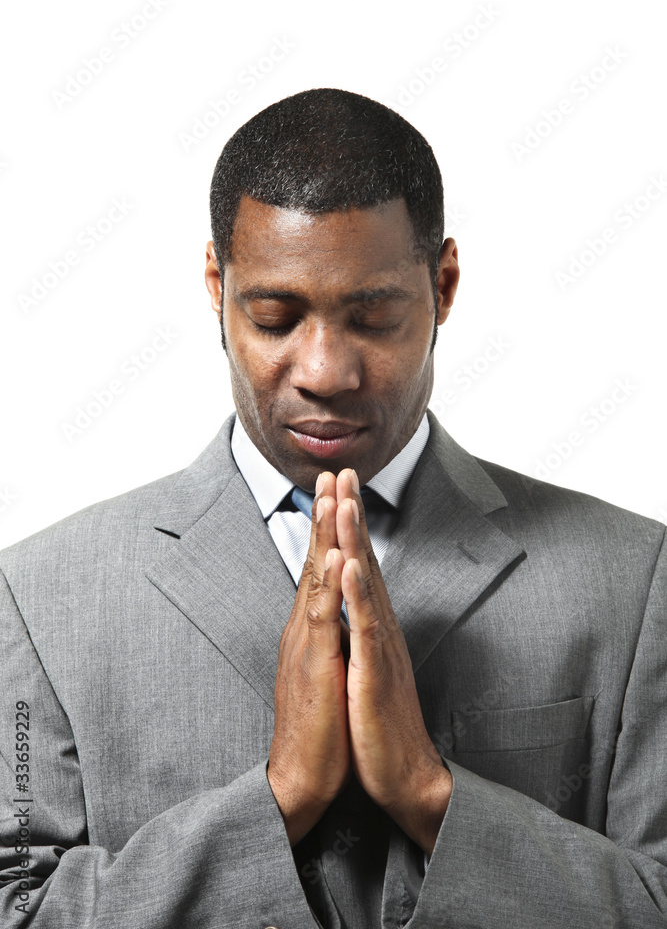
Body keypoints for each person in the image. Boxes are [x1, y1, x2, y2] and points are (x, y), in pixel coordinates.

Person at [0, 88, 665, 929]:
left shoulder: (634, 577)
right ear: (217, 284)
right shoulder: (38, 596)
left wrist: (432, 795)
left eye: (374, 316)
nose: (324, 370)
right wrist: (278, 799)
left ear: (444, 285)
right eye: (274, 316)